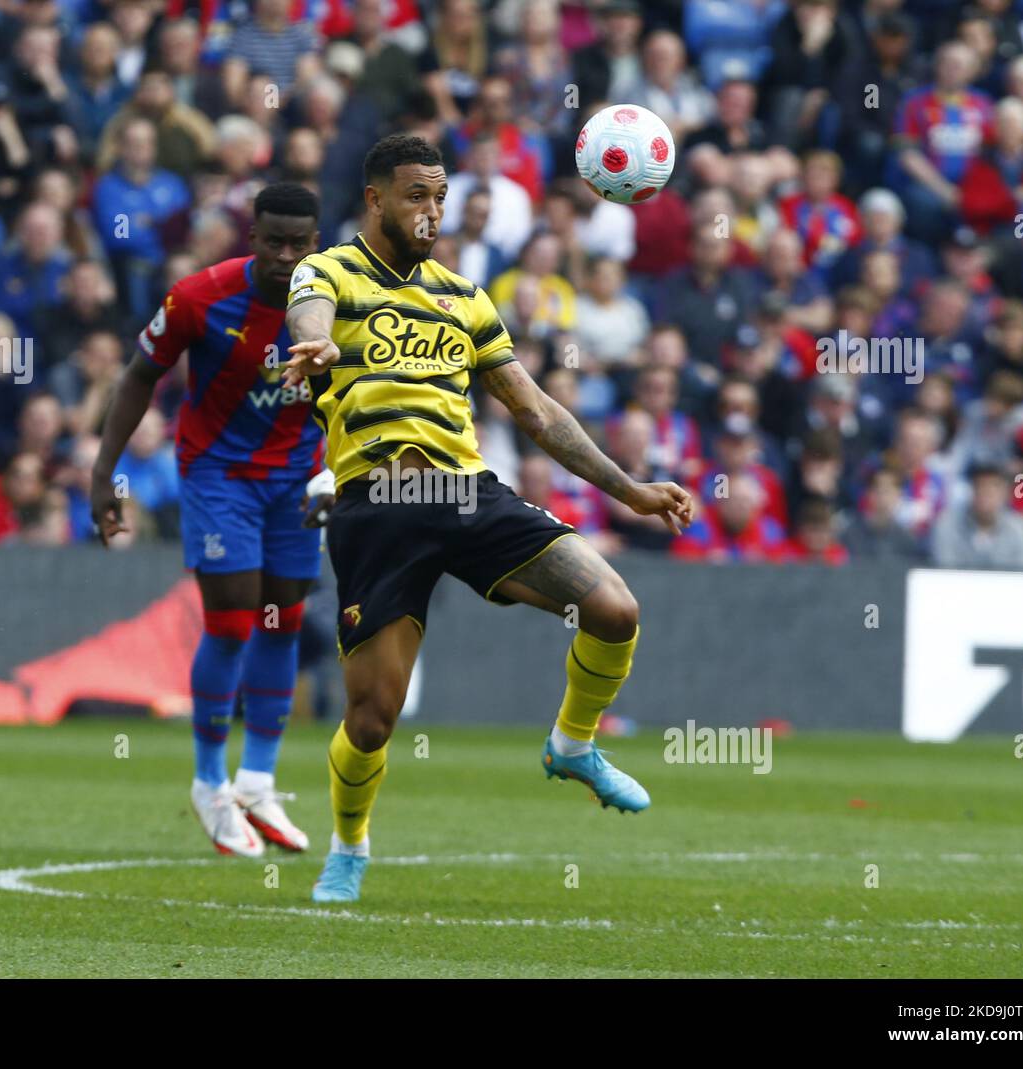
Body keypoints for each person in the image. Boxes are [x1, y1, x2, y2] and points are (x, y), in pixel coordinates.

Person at [279, 135, 694, 903]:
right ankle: (350, 843)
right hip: (377, 505)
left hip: (467, 494)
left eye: (438, 196)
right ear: (375, 199)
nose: (431, 211)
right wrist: (312, 346)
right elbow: (310, 315)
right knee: (372, 721)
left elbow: (534, 411)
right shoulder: (327, 269)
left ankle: (572, 744)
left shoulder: (465, 296)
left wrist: (628, 488)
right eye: (415, 195)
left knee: (613, 607)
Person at [91, 183, 327, 859]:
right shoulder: (200, 296)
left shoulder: (339, 299)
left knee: (283, 618)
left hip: (297, 480)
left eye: (299, 243)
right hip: (219, 474)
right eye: (273, 240)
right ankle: (208, 780)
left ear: (315, 242)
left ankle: (258, 780)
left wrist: (336, 469)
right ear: (250, 237)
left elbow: (363, 391)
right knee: (231, 618)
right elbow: (140, 375)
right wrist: (103, 470)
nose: (285, 255)